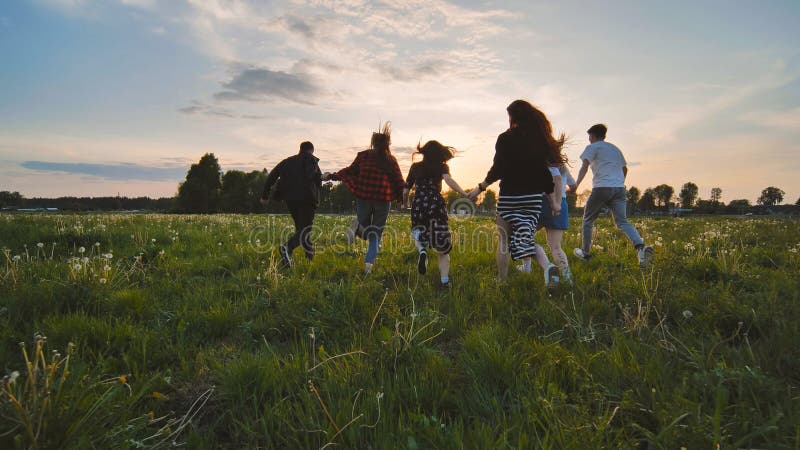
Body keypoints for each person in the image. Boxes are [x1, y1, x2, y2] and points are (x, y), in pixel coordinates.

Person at [469, 100, 563, 283]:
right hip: (533, 199)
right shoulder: (538, 139)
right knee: (525, 237)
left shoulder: (505, 138)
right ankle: (548, 267)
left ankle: (502, 280)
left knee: (504, 240)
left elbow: (498, 168)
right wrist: (553, 201)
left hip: (509, 197)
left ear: (513, 117)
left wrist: (480, 187)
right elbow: (545, 175)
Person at [324, 123, 405, 274]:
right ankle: (368, 267)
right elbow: (399, 181)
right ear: (387, 144)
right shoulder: (391, 160)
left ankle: (357, 227)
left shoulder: (363, 155)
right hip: (383, 199)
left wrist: (332, 176)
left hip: (364, 197)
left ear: (373, 143)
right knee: (376, 233)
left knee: (365, 228)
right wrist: (402, 199)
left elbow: (350, 171)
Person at [573, 123, 653, 269]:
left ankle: (585, 253)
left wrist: (575, 185)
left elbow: (584, 166)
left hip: (602, 187)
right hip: (619, 189)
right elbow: (625, 168)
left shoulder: (592, 147)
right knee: (622, 222)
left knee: (588, 220)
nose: (589, 139)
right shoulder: (615, 149)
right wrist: (619, 182)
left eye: (589, 136)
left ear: (593, 135)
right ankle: (640, 247)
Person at [402, 140, 469, 288]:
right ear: (440, 153)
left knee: (418, 232)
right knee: (442, 245)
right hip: (435, 204)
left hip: (419, 204)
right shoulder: (442, 166)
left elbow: (406, 189)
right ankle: (444, 281)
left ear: (424, 152)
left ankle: (422, 251)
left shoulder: (415, 167)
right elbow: (448, 180)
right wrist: (464, 193)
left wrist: (405, 204)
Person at [260, 141, 322, 268]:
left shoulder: (286, 162)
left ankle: (309, 258)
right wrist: (323, 177)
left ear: (300, 149)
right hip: (307, 199)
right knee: (305, 230)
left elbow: (272, 176)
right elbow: (317, 179)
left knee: (302, 229)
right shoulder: (311, 159)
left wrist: (265, 195)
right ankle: (286, 248)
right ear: (311, 150)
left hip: (291, 200)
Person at [531, 163, 576, 287]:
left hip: (541, 202)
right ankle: (567, 279)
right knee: (556, 247)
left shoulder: (542, 161)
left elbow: (556, 179)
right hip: (561, 203)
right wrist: (563, 194)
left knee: (524, 237)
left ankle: (533, 267)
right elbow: (573, 186)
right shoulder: (562, 166)